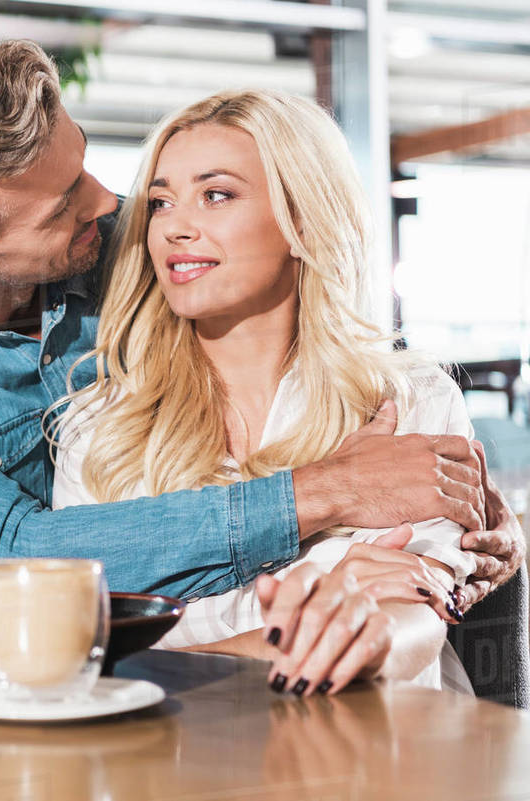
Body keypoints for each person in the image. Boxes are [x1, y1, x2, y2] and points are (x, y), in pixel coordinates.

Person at [0, 41, 520, 624]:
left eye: (83, 164)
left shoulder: (152, 239)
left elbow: (316, 327)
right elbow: (19, 562)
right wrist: (321, 495)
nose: (118, 205)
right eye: (62, 205)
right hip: (45, 665)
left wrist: (469, 522)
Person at [51, 89, 482, 695]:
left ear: (300, 219)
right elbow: (75, 659)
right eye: (161, 202)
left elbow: (413, 622)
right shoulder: (100, 427)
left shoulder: (407, 398)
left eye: (216, 194)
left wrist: (373, 632)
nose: (175, 226)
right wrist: (299, 640)